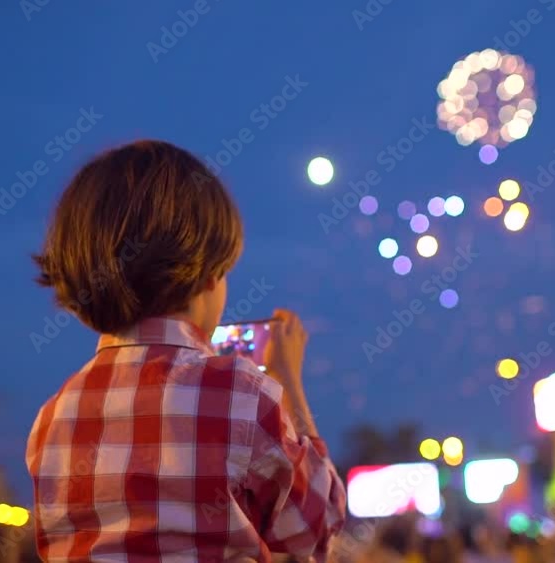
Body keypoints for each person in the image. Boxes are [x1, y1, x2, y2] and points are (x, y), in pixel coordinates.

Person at [26, 140, 346, 561]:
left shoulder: (52, 419)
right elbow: (317, 527)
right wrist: (287, 382)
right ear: (208, 274)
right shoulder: (240, 392)